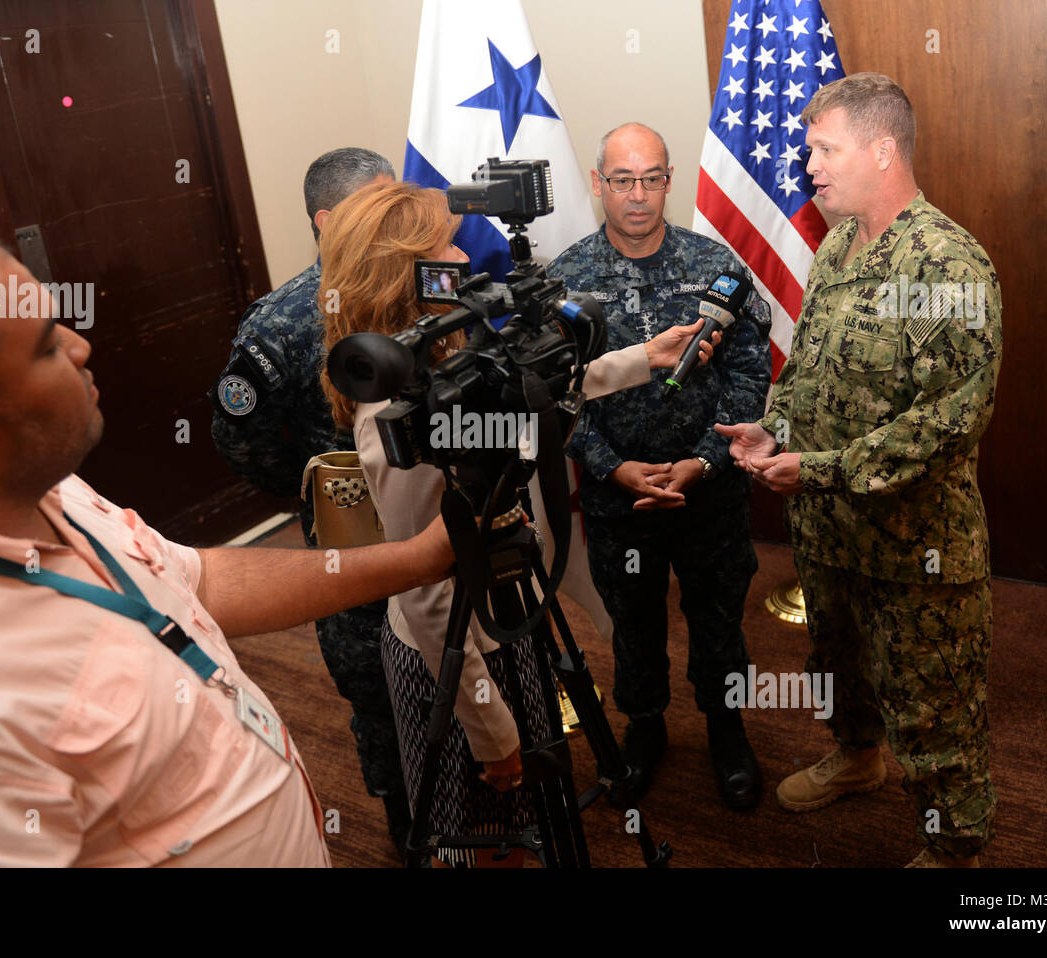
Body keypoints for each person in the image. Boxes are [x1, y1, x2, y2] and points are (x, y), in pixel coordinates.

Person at [0, 232, 456, 866]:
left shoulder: (38, 485)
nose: (81, 347)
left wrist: (420, 558)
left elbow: (196, 581)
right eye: (48, 344)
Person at [318, 181, 719, 866]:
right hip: (458, 658)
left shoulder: (442, 359)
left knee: (534, 800)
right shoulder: (397, 415)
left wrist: (642, 358)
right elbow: (425, 586)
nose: (460, 255)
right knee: (483, 838)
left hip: (512, 620)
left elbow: (523, 391)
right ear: (405, 271)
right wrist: (491, 727)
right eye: (443, 245)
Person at [717, 73, 1003, 867]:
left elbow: (947, 422)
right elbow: (814, 372)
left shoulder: (946, 266)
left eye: (822, 148)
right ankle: (857, 755)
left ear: (882, 152)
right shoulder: (841, 245)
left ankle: (954, 849)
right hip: (832, 532)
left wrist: (821, 470)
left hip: (916, 548)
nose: (807, 164)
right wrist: (774, 432)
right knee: (838, 665)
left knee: (933, 702)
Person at [545, 123, 772, 810]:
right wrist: (612, 468)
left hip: (710, 496)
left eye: (651, 179)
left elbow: (749, 373)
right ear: (597, 184)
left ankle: (726, 728)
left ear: (669, 180)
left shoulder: (716, 266)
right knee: (632, 622)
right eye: (622, 180)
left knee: (718, 617)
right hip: (620, 501)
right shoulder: (565, 283)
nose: (637, 196)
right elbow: (555, 397)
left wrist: (704, 461)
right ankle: (644, 727)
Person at [208, 147, 413, 848]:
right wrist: (315, 488)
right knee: (378, 688)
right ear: (327, 221)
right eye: (370, 205)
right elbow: (241, 440)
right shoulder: (281, 325)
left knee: (460, 662)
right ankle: (405, 824)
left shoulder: (419, 289)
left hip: (433, 520)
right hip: (350, 549)